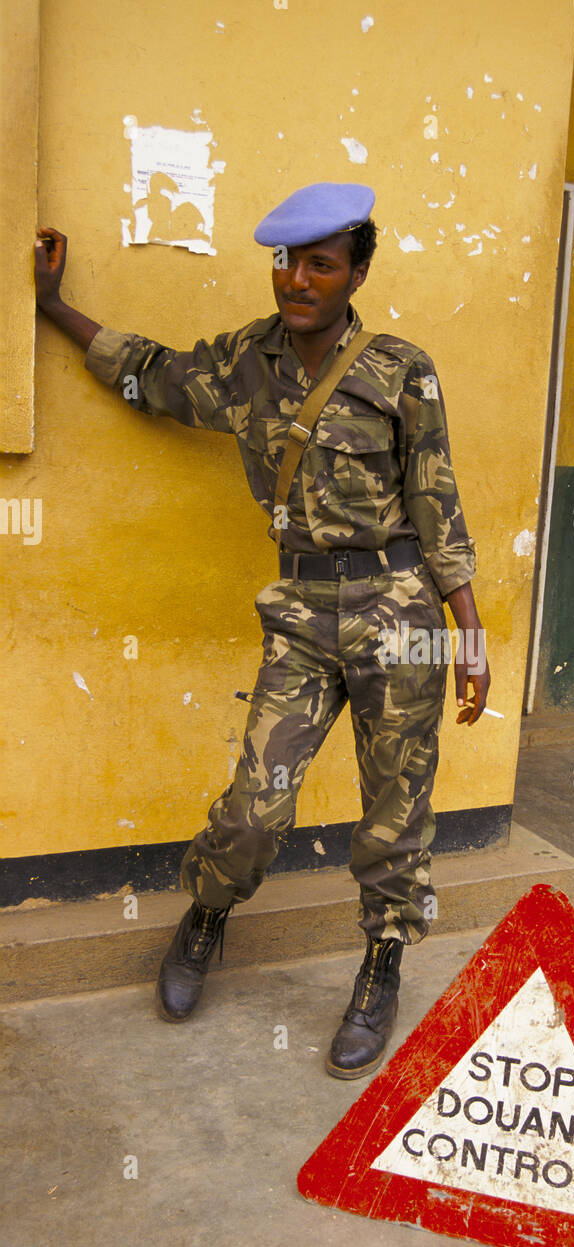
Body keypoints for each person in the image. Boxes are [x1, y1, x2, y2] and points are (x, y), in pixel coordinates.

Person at [34, 181, 490, 1079]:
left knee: (396, 815)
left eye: (320, 264)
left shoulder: (403, 368)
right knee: (255, 802)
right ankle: (205, 914)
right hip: (300, 615)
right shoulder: (245, 361)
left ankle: (380, 969)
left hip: (399, 613)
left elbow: (436, 499)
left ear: (357, 272)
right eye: (287, 261)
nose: (297, 280)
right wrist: (53, 309)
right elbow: (152, 374)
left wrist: (466, 630)